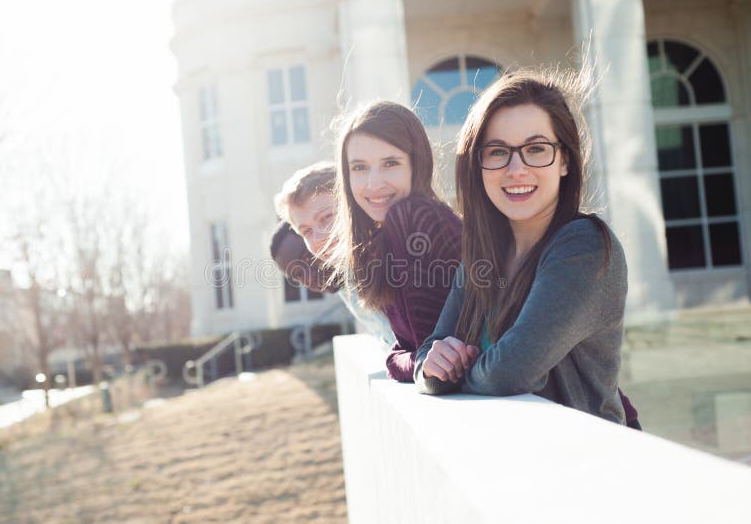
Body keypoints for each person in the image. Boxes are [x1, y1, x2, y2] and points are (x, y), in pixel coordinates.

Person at [414, 70, 637, 425]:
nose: (516, 169)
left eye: (536, 149)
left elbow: (512, 371)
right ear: (478, 164)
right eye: (497, 151)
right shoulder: (482, 255)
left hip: (587, 466)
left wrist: (456, 375)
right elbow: (430, 350)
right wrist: (433, 367)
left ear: (565, 160)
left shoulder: (585, 247)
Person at [326, 101, 462, 383]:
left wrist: (411, 361)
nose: (374, 183)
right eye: (360, 167)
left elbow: (430, 364)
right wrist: (409, 361)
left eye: (390, 163)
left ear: (417, 163)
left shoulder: (414, 218)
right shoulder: (381, 239)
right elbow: (401, 356)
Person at [272, 162, 395, 347]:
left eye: (327, 217)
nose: (308, 279)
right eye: (306, 231)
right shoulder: (350, 281)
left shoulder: (394, 258)